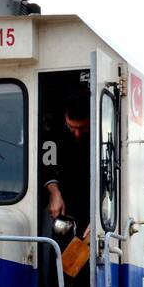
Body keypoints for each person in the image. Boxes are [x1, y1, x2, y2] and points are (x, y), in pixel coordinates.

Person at [42, 79, 91, 238]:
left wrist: (100, 217)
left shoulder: (104, 133)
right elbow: (46, 163)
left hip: (92, 200)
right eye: (72, 127)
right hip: (63, 198)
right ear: (65, 118)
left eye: (83, 128)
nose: (77, 133)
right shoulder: (52, 131)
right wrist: (54, 192)